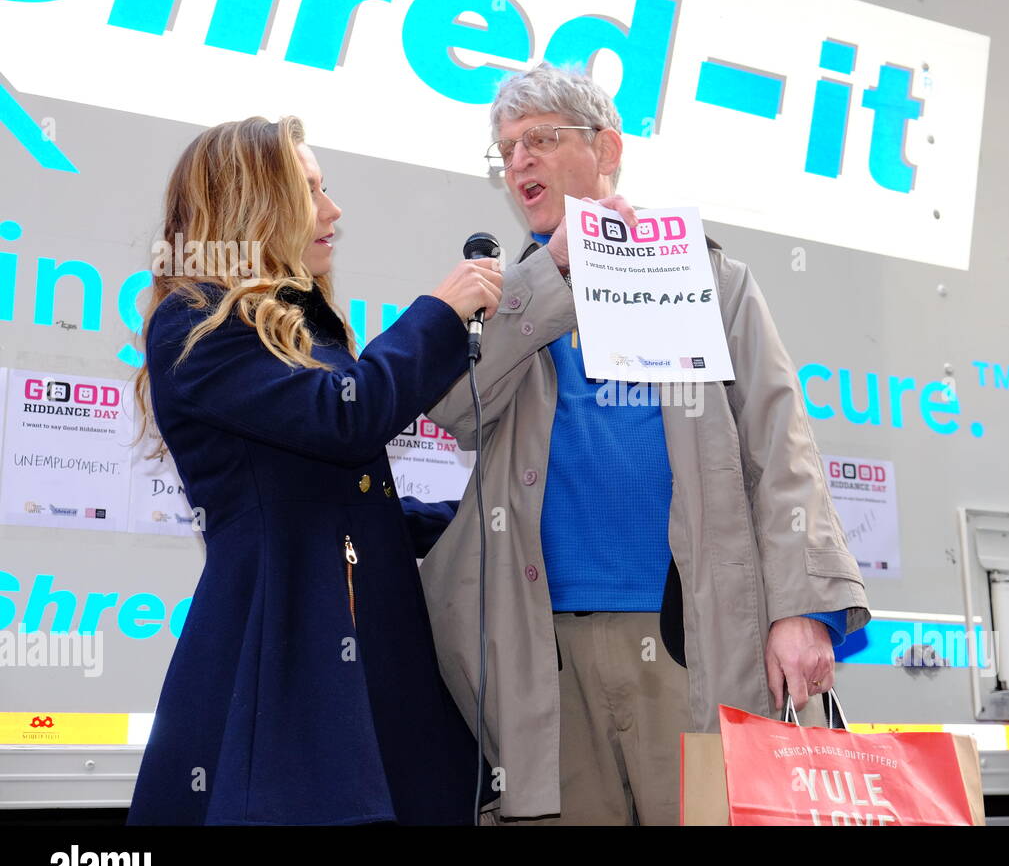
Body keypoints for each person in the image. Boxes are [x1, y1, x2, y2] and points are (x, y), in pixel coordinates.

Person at [418, 64, 870, 824]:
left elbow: (779, 444)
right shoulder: (504, 297)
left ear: (606, 148)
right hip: (544, 649)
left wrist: (804, 609)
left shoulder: (708, 274)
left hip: (689, 636)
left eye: (539, 139)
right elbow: (457, 410)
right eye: (506, 150)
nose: (518, 161)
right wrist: (551, 274)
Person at [126, 116, 502, 825]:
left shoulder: (293, 326)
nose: (333, 213)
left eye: (327, 190)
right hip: (286, 654)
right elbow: (344, 420)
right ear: (252, 206)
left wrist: (478, 522)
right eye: (309, 193)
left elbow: (336, 496)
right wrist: (442, 314)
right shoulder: (195, 324)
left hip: (363, 650)